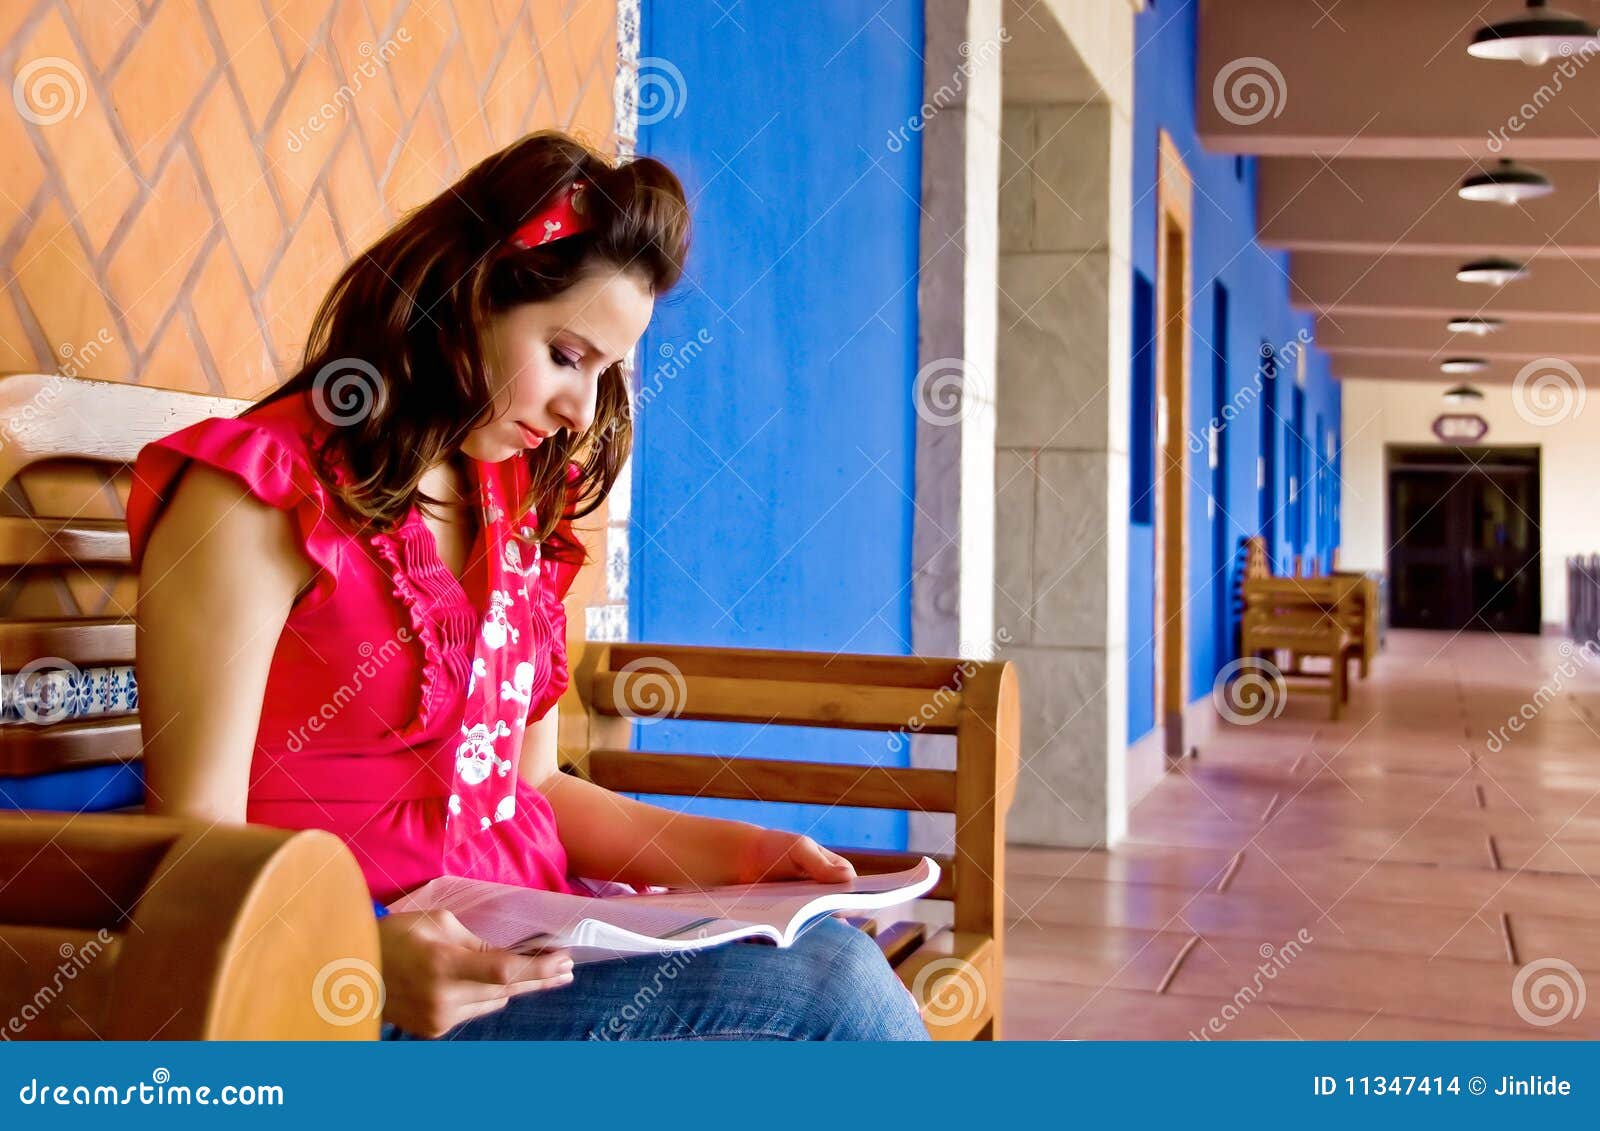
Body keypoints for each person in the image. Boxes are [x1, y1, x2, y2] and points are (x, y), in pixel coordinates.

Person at [127, 130, 929, 1042]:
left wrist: (744, 857)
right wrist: (360, 955)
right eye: (565, 353)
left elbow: (530, 785)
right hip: (365, 989)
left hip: (543, 937)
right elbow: (190, 849)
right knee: (835, 996)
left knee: (831, 967)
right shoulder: (256, 494)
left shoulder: (510, 500)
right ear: (464, 296)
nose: (579, 411)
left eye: (602, 373)